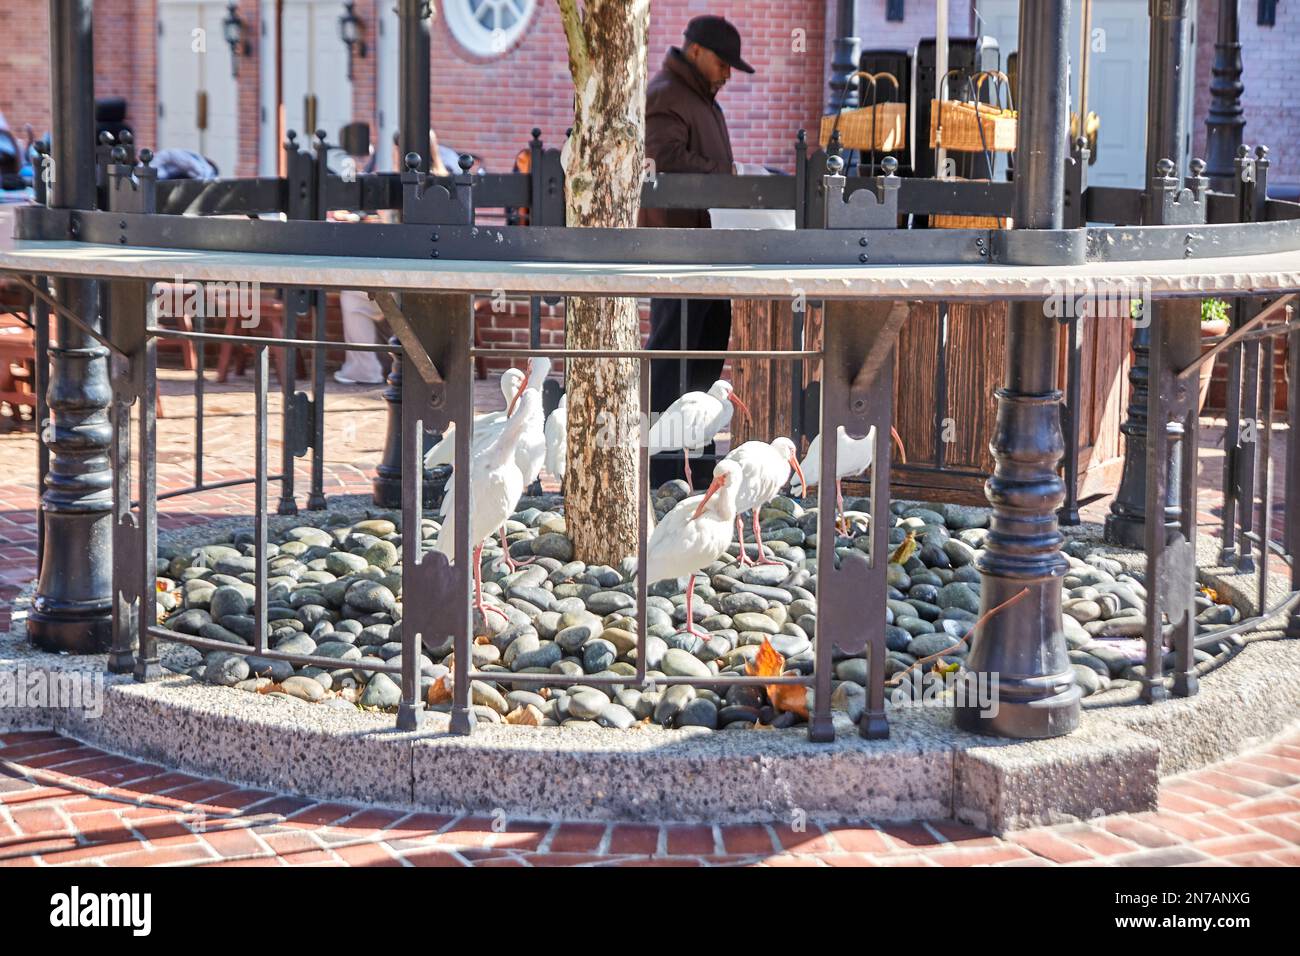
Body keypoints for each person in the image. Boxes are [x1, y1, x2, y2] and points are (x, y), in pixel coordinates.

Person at [640, 15, 754, 483]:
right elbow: (663, 160)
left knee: (703, 353)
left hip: (702, 246)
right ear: (698, 52)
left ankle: (694, 460)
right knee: (675, 353)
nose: (729, 72)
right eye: (724, 63)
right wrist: (725, 177)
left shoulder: (698, 98)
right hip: (678, 249)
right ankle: (663, 468)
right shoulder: (668, 93)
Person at [335, 131, 451, 384]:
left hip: (406, 280)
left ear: (400, 152)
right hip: (442, 278)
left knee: (352, 296)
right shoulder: (448, 183)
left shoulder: (399, 184)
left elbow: (391, 233)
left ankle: (363, 369)